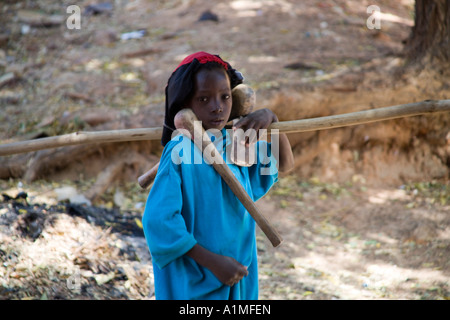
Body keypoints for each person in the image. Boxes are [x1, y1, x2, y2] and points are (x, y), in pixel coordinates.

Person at [142, 51, 294, 300]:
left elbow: (285, 163)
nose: (217, 107)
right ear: (185, 104)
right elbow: (158, 221)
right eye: (204, 99)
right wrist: (213, 263)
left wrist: (273, 120)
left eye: (225, 97)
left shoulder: (238, 144)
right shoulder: (181, 151)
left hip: (238, 270)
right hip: (195, 278)